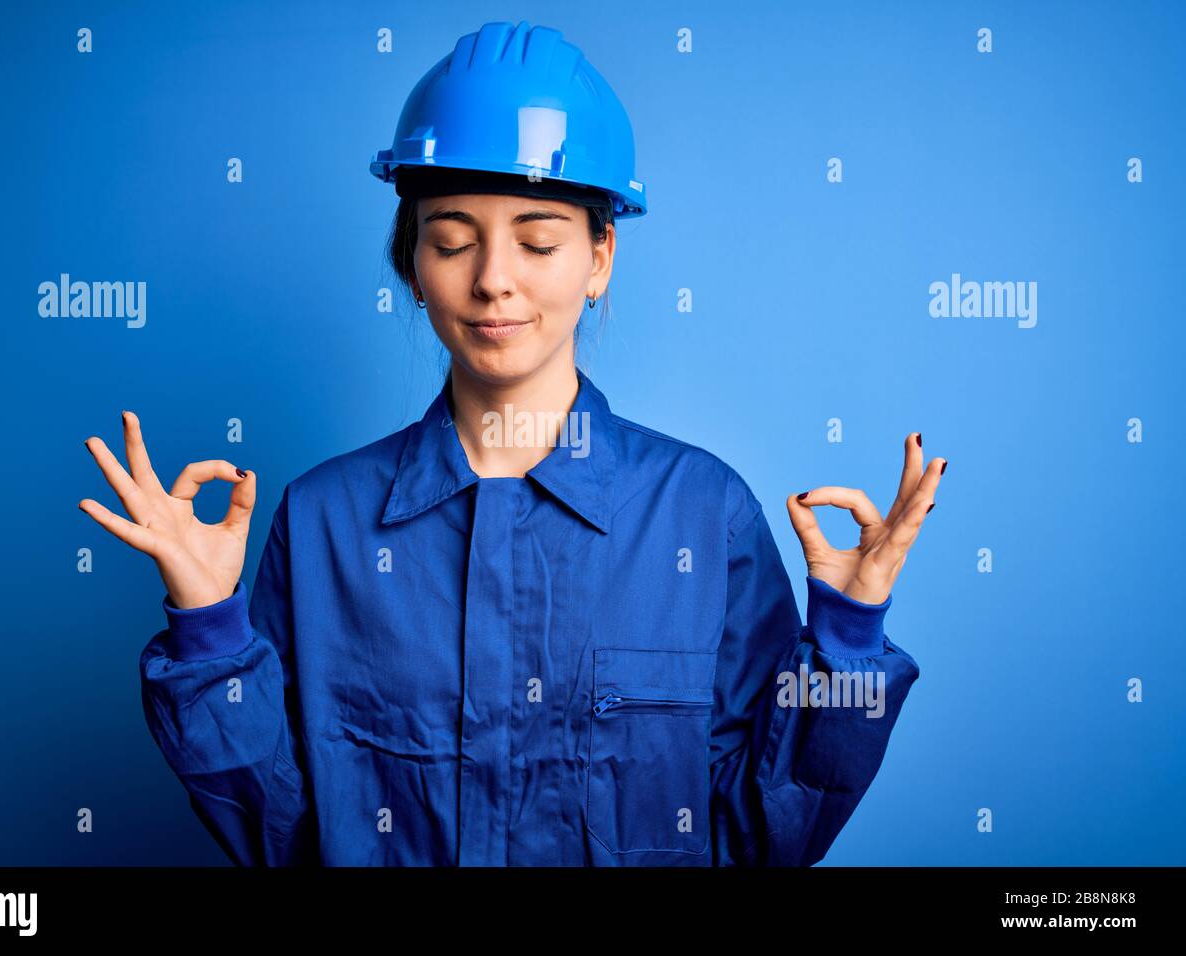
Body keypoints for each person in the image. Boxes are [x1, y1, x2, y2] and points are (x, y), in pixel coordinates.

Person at [79, 20, 941, 866]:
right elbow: (282, 835)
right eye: (452, 240)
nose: (494, 279)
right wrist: (209, 632)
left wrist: (846, 647)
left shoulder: (702, 514)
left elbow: (767, 833)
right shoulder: (323, 523)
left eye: (537, 240)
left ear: (601, 256)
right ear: (412, 263)